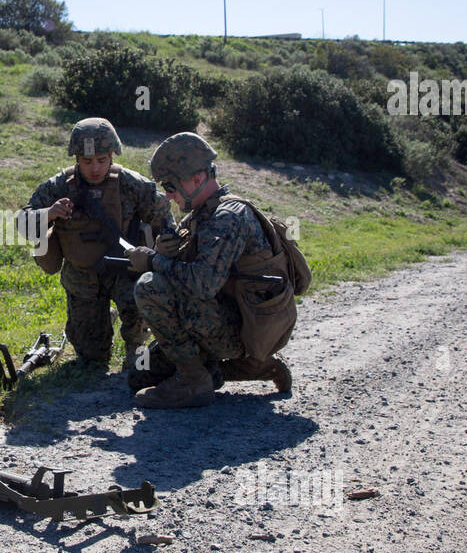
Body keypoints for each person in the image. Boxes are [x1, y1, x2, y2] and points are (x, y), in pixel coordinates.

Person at [125, 132, 293, 409]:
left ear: (198, 179)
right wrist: (166, 251)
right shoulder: (201, 214)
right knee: (141, 377)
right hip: (218, 319)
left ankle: (194, 381)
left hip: (238, 329)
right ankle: (254, 367)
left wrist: (154, 262)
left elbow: (202, 284)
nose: (167, 195)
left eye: (170, 185)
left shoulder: (229, 217)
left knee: (148, 285)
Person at [16, 118, 174, 371]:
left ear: (112, 155)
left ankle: (135, 344)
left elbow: (165, 221)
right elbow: (22, 221)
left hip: (126, 270)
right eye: (87, 162)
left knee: (138, 305)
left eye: (102, 160)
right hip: (82, 275)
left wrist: (160, 260)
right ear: (76, 158)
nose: (95, 168)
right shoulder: (58, 185)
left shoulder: (132, 184)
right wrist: (49, 213)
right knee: (92, 358)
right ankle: (102, 323)